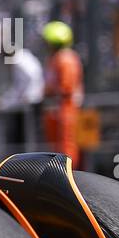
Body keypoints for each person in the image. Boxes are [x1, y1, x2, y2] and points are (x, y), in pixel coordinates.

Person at [42, 21, 85, 165]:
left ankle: (68, 174)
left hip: (66, 108)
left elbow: (66, 87)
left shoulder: (66, 58)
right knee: (57, 145)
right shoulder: (55, 59)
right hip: (57, 108)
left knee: (67, 143)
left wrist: (49, 92)